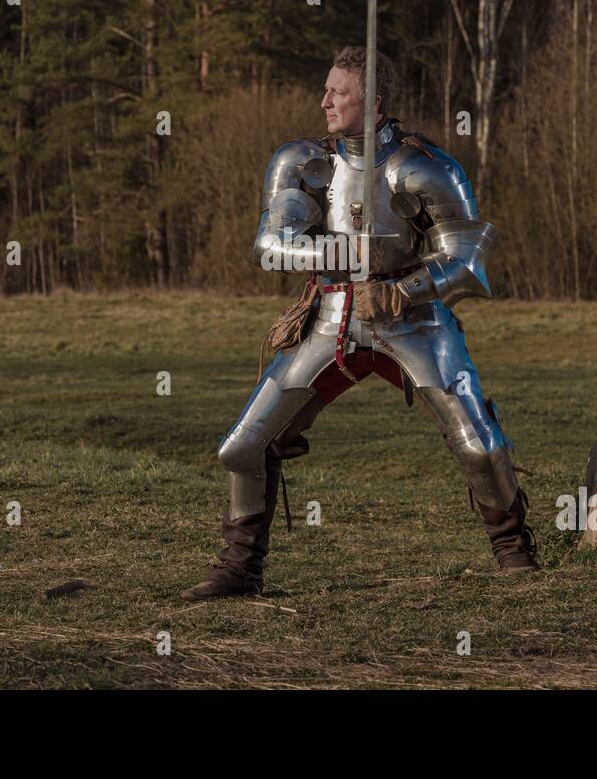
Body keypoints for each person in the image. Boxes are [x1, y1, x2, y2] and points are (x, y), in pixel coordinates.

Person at [181, 45, 536, 601]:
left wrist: (402, 290)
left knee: (480, 447)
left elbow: (469, 261)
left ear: (371, 104)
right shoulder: (300, 162)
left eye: (337, 93)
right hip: (329, 319)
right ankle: (239, 568)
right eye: (326, 90)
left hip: (414, 323)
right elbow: (270, 247)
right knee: (242, 448)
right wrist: (340, 255)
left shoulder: (426, 166)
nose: (324, 102)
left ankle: (514, 551)